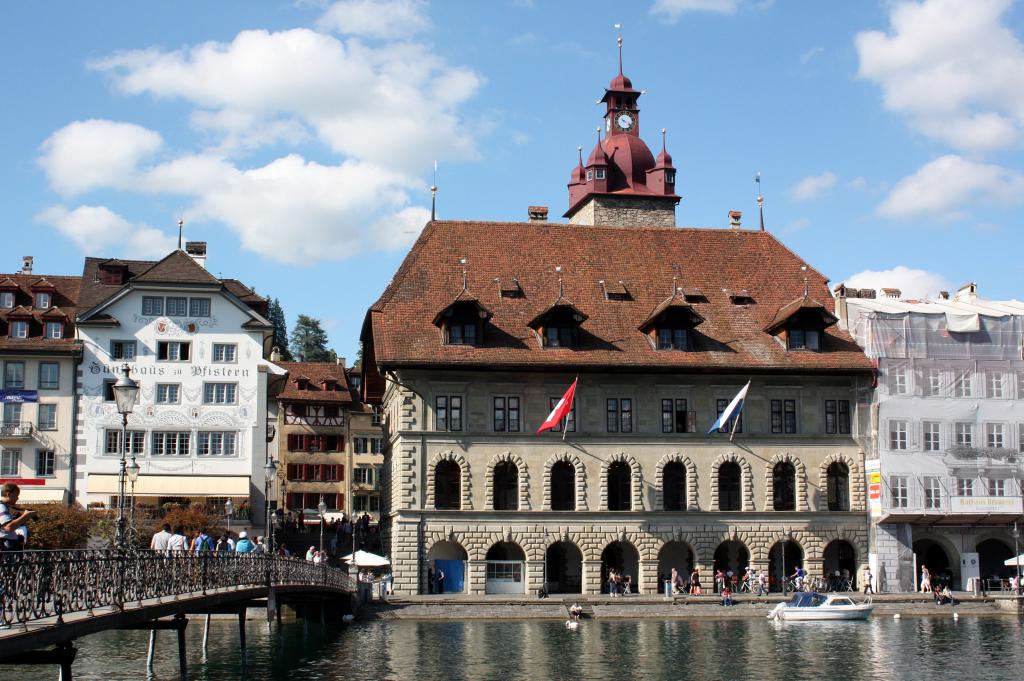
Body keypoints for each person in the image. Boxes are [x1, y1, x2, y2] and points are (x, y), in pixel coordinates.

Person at [0, 483, 35, 551]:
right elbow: (8, 527)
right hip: (5, 546)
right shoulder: (1, 507)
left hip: (7, 545)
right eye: (16, 495)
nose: (18, 498)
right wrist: (25, 516)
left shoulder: (5, 506)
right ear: (8, 494)